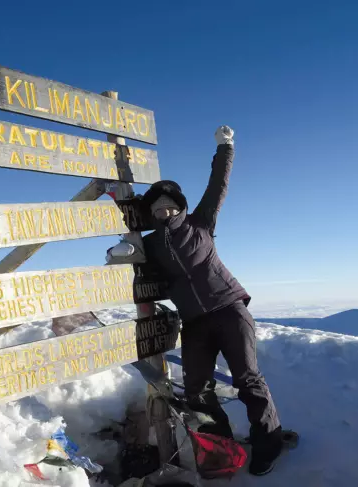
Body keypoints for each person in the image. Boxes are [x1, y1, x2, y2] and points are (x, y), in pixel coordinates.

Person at [109, 126, 289, 476]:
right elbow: (130, 249)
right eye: (157, 207)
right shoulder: (152, 245)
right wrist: (118, 250)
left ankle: (269, 443)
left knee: (248, 381)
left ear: (180, 208)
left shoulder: (200, 223)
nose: (164, 211)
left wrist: (226, 147)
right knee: (196, 390)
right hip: (194, 321)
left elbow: (217, 185)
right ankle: (222, 444)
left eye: (170, 206)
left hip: (229, 309)